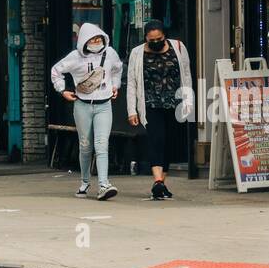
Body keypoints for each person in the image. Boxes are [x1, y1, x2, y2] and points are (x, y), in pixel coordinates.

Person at [50, 22, 122, 200]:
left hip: (104, 105)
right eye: (93, 39)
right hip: (82, 104)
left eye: (99, 38)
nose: (97, 42)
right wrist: (62, 90)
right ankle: (84, 182)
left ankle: (104, 184)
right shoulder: (75, 57)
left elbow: (117, 68)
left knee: (101, 144)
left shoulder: (110, 53)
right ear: (84, 41)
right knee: (85, 145)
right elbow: (56, 71)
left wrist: (115, 86)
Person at [126, 19, 192, 200]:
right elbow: (132, 82)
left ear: (165, 35)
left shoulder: (178, 47)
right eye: (151, 40)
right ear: (145, 38)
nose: (156, 42)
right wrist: (132, 110)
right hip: (151, 104)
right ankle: (157, 181)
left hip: (175, 103)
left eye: (159, 38)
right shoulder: (136, 53)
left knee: (170, 143)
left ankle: (161, 182)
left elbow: (186, 74)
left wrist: (189, 100)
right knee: (156, 139)